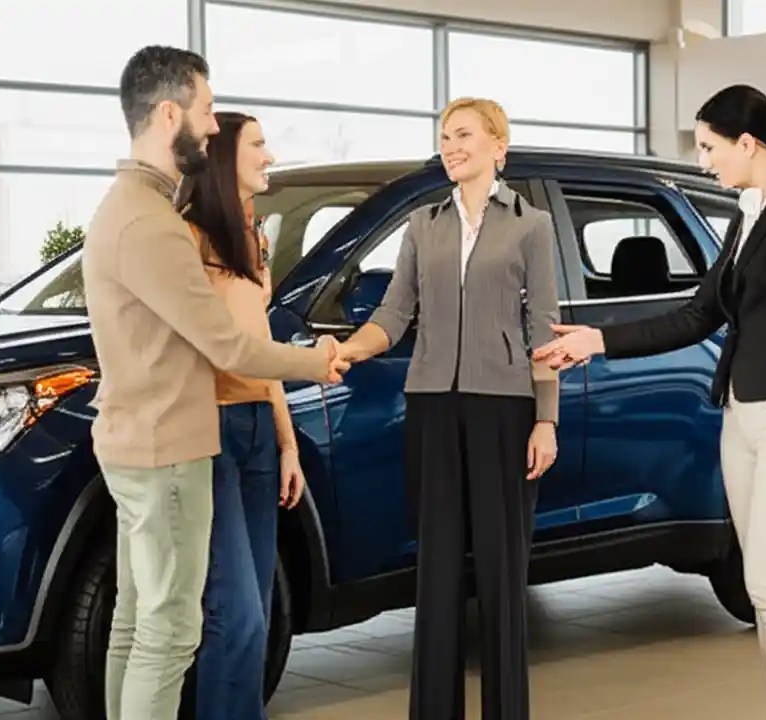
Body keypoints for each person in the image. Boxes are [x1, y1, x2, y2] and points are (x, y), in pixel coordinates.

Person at [534, 84, 766, 720]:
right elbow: (702, 313)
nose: (704, 160)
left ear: (747, 141)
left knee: (765, 586)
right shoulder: (749, 210)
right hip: (740, 419)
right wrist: (598, 340)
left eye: (710, 147)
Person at [82, 46, 347, 720]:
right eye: (204, 110)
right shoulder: (156, 224)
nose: (210, 125)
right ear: (168, 112)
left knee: (136, 623)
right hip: (169, 446)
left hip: (133, 441)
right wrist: (315, 362)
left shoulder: (123, 208)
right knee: (170, 632)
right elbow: (226, 344)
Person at [330, 97, 559, 720]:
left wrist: (546, 418)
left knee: (502, 574)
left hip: (504, 410)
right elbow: (393, 315)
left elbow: (544, 328)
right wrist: (349, 350)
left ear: (497, 146)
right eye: (444, 137)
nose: (450, 146)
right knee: (435, 573)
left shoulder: (530, 226)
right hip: (431, 406)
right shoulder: (422, 225)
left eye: (462, 135)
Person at [173, 111, 297, 719]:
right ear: (225, 158)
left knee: (259, 614)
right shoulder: (188, 239)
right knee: (235, 611)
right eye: (258, 144)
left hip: (257, 431)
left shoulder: (256, 239)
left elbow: (261, 342)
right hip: (211, 429)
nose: (270, 155)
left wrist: (288, 443)